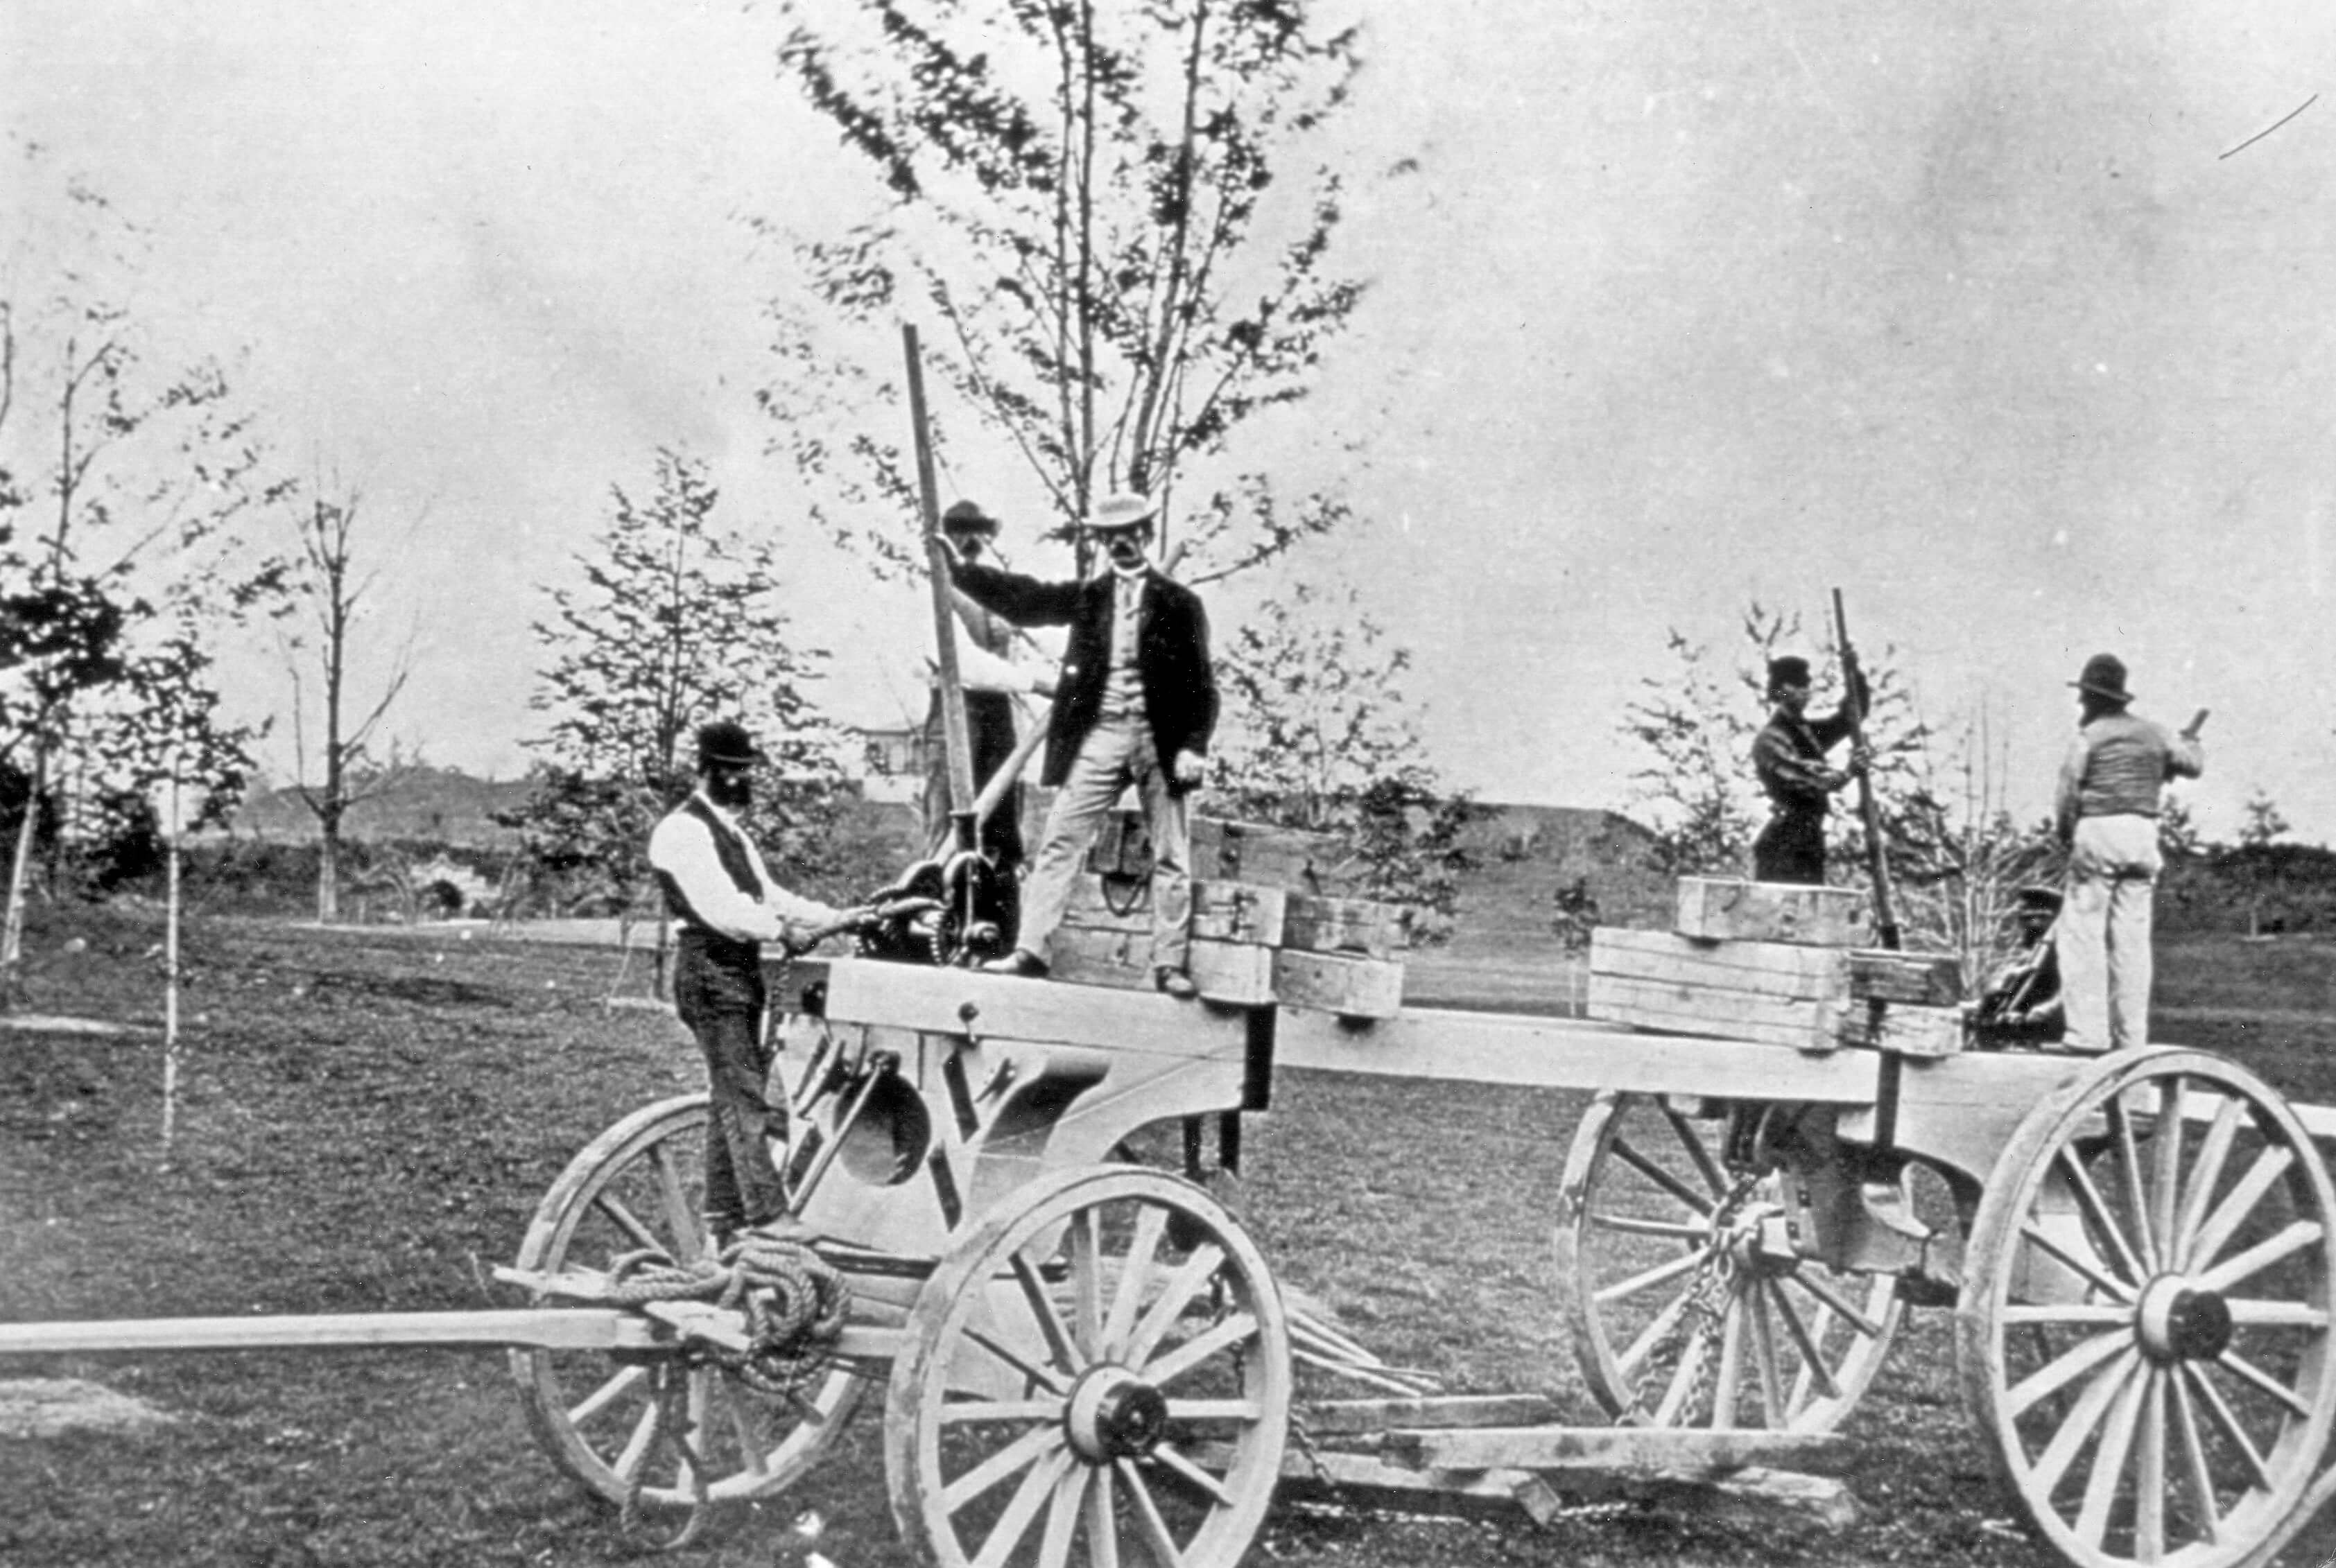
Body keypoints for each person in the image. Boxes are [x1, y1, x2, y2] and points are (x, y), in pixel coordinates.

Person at [942, 490, 1215, 999]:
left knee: (1171, 853)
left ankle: (1168, 964)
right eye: (1112, 538)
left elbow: (1202, 687)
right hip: (1102, 732)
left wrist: (1193, 745)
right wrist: (957, 569)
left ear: (1147, 535)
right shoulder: (1090, 598)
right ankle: (1030, 950)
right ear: (1103, 542)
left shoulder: (1180, 604)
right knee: (1059, 840)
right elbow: (1026, 600)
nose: (1123, 545)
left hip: (1161, 739)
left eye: (1131, 534)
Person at [648, 720, 865, 1241]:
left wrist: (838, 917)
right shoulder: (682, 831)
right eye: (730, 771)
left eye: (745, 771)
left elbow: (770, 897)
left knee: (732, 1093)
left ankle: (723, 1213)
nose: (741, 780)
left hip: (737, 970)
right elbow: (724, 909)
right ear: (706, 770)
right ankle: (768, 1216)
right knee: (744, 1095)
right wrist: (782, 931)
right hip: (708, 967)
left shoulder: (733, 833)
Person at [2052, 653, 2205, 1053]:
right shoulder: (2155, 734)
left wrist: (2068, 837)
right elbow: (2191, 765)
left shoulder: (2090, 737)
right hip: (2143, 833)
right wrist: (2190, 740)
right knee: (2132, 944)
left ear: (2093, 697)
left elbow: (2069, 793)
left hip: (2098, 830)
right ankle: (2131, 1039)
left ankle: (2088, 1035)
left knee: (2083, 936)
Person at [920, 499, 1049, 946]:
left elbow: (1020, 647)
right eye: (959, 532)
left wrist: (1056, 676)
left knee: (1003, 831)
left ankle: (1001, 938)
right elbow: (962, 663)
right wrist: (1034, 683)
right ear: (945, 538)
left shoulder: (993, 593)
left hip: (999, 716)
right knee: (952, 827)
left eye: (978, 533)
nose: (970, 543)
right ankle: (938, 929)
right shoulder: (932, 589)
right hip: (956, 712)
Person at [1749, 655, 1869, 885]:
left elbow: (1850, 717)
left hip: (1808, 842)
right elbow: (1804, 780)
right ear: (1782, 690)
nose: (1806, 690)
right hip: (1783, 845)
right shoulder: (1771, 739)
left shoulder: (1806, 734)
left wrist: (1854, 672)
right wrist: (1847, 773)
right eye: (1798, 684)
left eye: (1806, 684)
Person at [1972, 885, 2065, 1046]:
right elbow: (2002, 991)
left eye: (2039, 917)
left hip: (2046, 1032)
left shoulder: (2065, 952)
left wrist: (2041, 1013)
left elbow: (2073, 993)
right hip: (2015, 1029)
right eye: (2026, 918)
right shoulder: (2030, 953)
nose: (2031, 924)